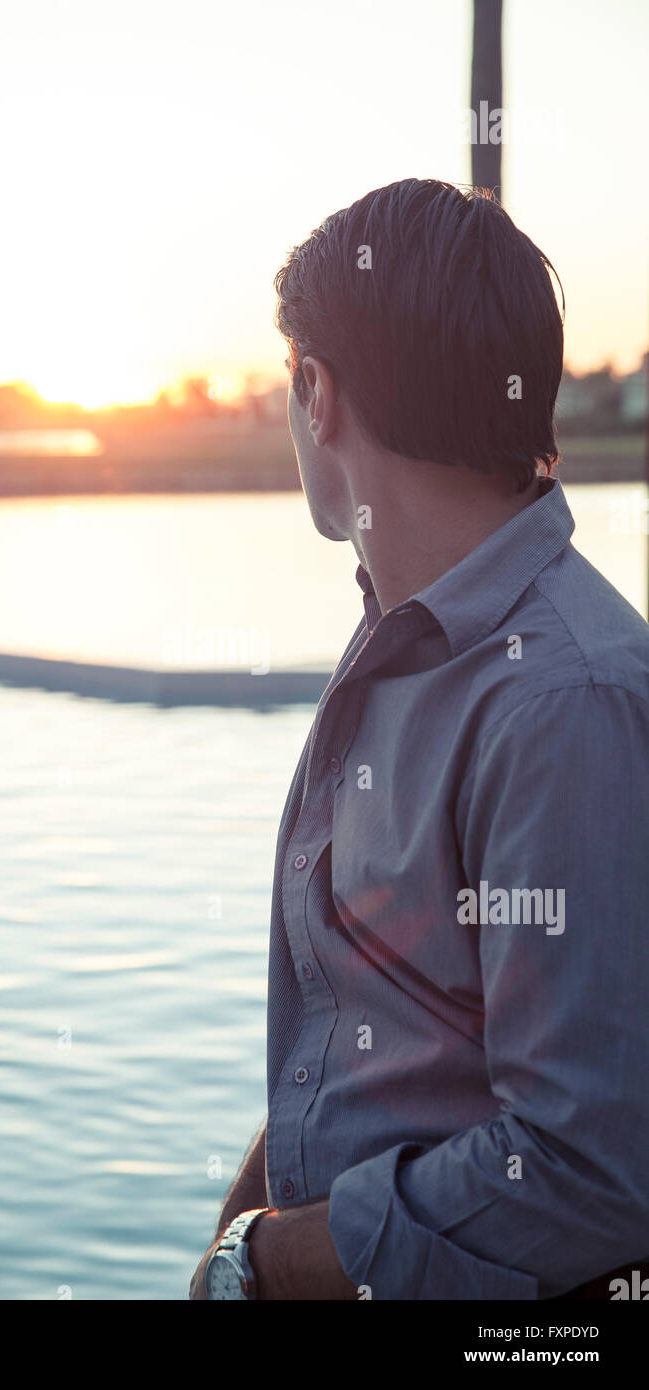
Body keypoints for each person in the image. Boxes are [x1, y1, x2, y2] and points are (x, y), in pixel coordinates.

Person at [190, 178, 649, 1300]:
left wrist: (267, 1263)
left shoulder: (561, 702)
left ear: (317, 390)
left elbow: (587, 1169)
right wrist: (235, 1237)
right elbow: (365, 1012)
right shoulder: (403, 647)